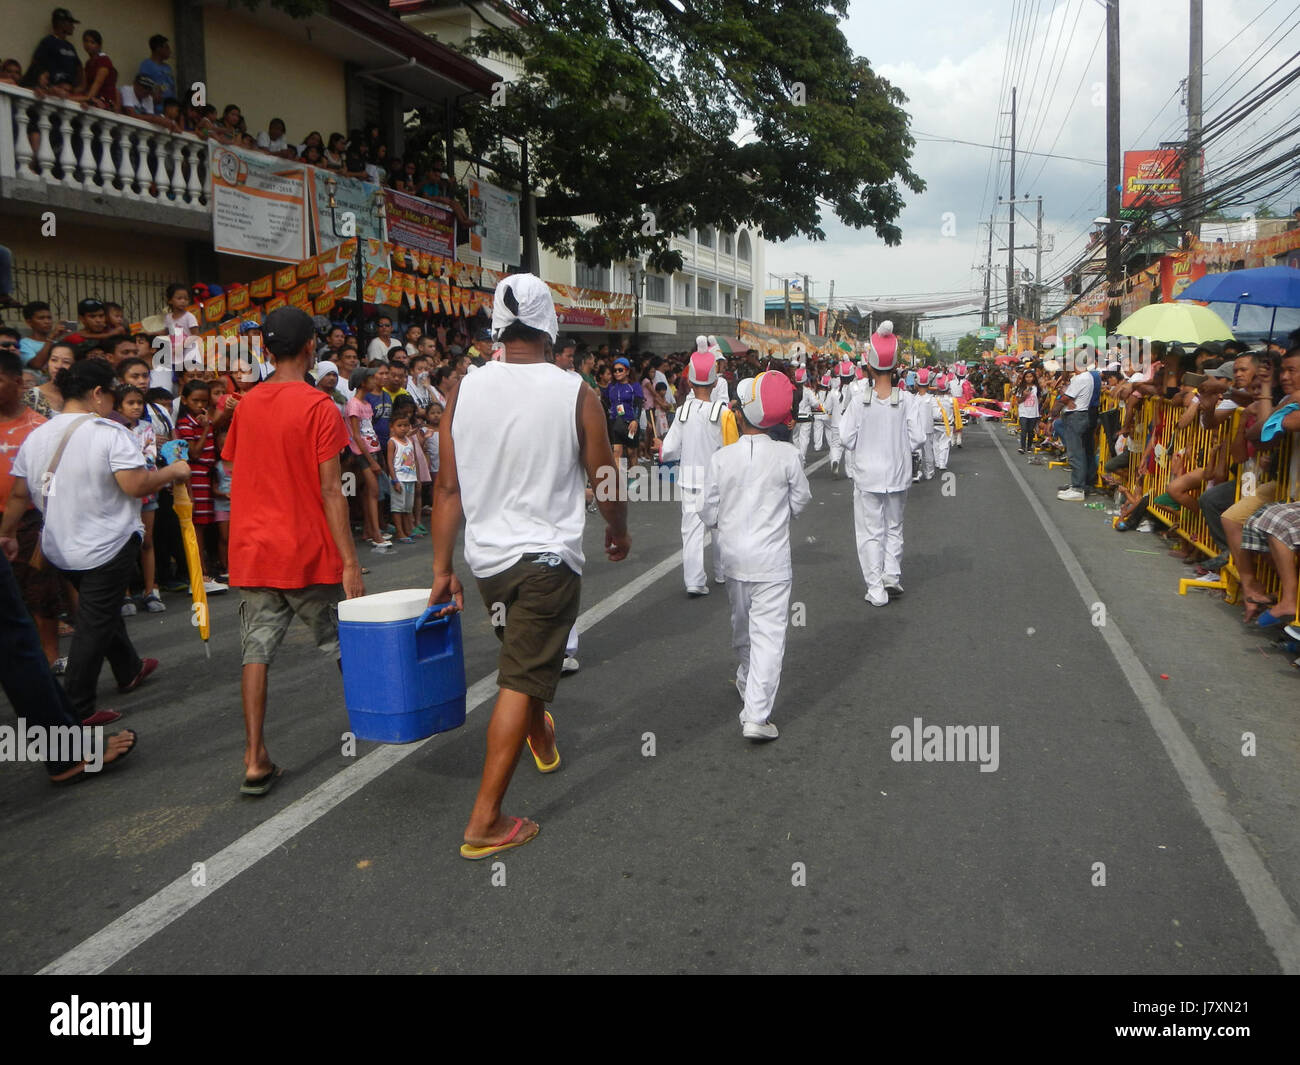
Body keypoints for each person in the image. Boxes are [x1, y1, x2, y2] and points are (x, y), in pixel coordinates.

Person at [429, 273, 630, 859]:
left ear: (498, 323)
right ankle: (484, 820)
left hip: (488, 563)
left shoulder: (464, 391)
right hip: (547, 559)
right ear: (550, 325)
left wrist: (442, 569)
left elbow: (446, 489)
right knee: (519, 678)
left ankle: (541, 737)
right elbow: (606, 477)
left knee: (525, 657)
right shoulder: (574, 392)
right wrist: (618, 529)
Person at [221, 306, 364, 796]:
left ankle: (254, 755)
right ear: (310, 349)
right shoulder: (319, 406)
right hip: (304, 550)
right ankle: (377, 717)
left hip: (254, 550)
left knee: (255, 652)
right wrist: (350, 560)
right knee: (346, 643)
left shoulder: (247, 403)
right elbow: (331, 490)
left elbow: (239, 469)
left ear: (266, 349)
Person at [0, 358, 191, 725]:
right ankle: (77, 706)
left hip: (59, 546)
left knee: (96, 609)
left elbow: (19, 496)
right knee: (93, 621)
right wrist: (172, 471)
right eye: (113, 394)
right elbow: (135, 485)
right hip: (108, 543)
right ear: (98, 393)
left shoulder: (37, 435)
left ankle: (129, 667)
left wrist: (7, 533)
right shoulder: (109, 433)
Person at [699, 371, 809, 741]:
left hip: (732, 558)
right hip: (772, 561)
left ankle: (749, 685)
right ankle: (756, 713)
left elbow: (707, 510)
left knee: (741, 624)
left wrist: (723, 523)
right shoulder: (788, 456)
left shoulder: (721, 458)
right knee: (769, 636)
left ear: (741, 413)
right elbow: (801, 501)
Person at [838, 322, 926, 607]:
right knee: (894, 526)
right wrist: (898, 450)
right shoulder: (908, 400)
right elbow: (919, 438)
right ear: (896, 365)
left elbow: (845, 437)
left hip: (867, 476)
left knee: (870, 532)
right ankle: (892, 574)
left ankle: (876, 588)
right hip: (898, 474)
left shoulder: (858, 401)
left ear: (869, 367)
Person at [659, 346, 728, 595]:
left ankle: (694, 581)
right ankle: (722, 572)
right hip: (716, 480)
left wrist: (663, 451)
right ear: (715, 381)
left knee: (691, 531)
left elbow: (668, 449)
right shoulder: (723, 412)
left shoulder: (682, 411)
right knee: (720, 527)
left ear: (689, 381)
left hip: (689, 479)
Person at [22, 8, 82, 95]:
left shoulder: (70, 47)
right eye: (70, 23)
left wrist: (78, 88)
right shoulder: (48, 42)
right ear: (60, 23)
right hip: (53, 91)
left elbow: (79, 69)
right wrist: (48, 85)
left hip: (67, 92)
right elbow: (37, 65)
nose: (73, 26)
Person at [136, 33, 174, 98]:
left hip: (170, 104)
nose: (170, 51)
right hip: (156, 106)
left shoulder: (168, 67)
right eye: (167, 48)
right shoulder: (147, 65)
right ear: (158, 48)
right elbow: (144, 86)